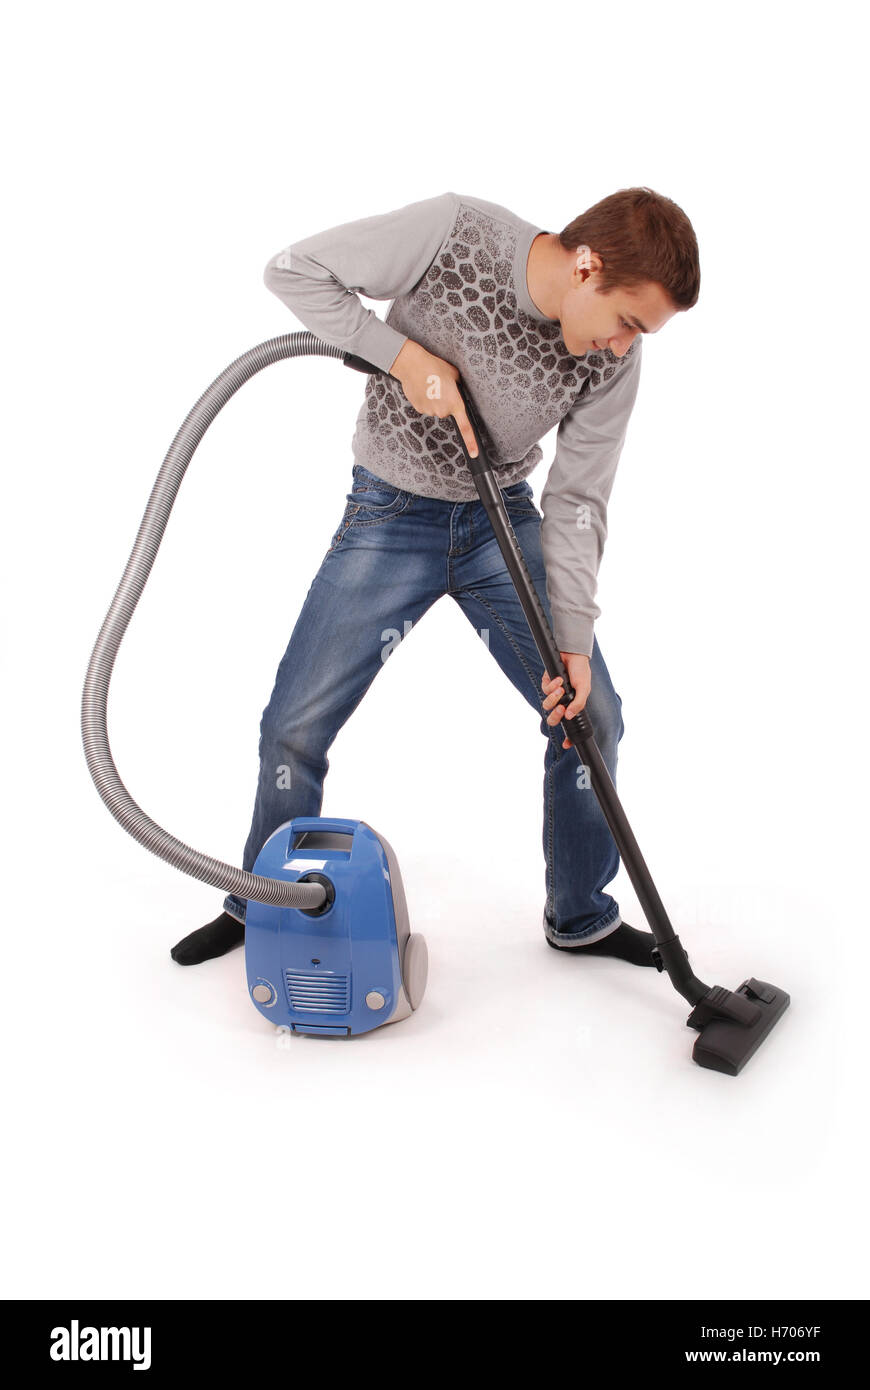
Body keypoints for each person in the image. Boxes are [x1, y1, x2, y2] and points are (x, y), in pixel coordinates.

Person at [170, 188, 700, 968]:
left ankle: (580, 915)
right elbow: (295, 270)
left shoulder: (612, 362)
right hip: (390, 519)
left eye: (641, 335)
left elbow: (579, 497)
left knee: (593, 719)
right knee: (295, 725)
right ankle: (262, 903)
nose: (625, 346)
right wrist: (404, 356)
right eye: (628, 321)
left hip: (502, 529)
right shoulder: (457, 233)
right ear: (588, 267)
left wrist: (575, 643)